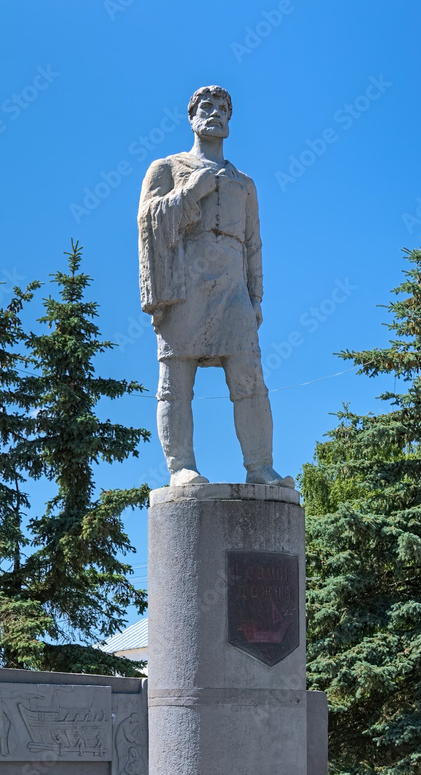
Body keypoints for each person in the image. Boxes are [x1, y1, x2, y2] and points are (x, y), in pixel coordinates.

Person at [138, 85, 294, 488]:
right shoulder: (167, 168)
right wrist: (191, 192)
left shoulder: (245, 183)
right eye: (206, 107)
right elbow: (147, 222)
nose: (216, 113)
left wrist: (256, 296)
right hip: (184, 285)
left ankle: (260, 467)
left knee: (250, 381)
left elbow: (253, 243)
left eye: (223, 108)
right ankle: (181, 467)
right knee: (175, 383)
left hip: (232, 289)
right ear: (191, 118)